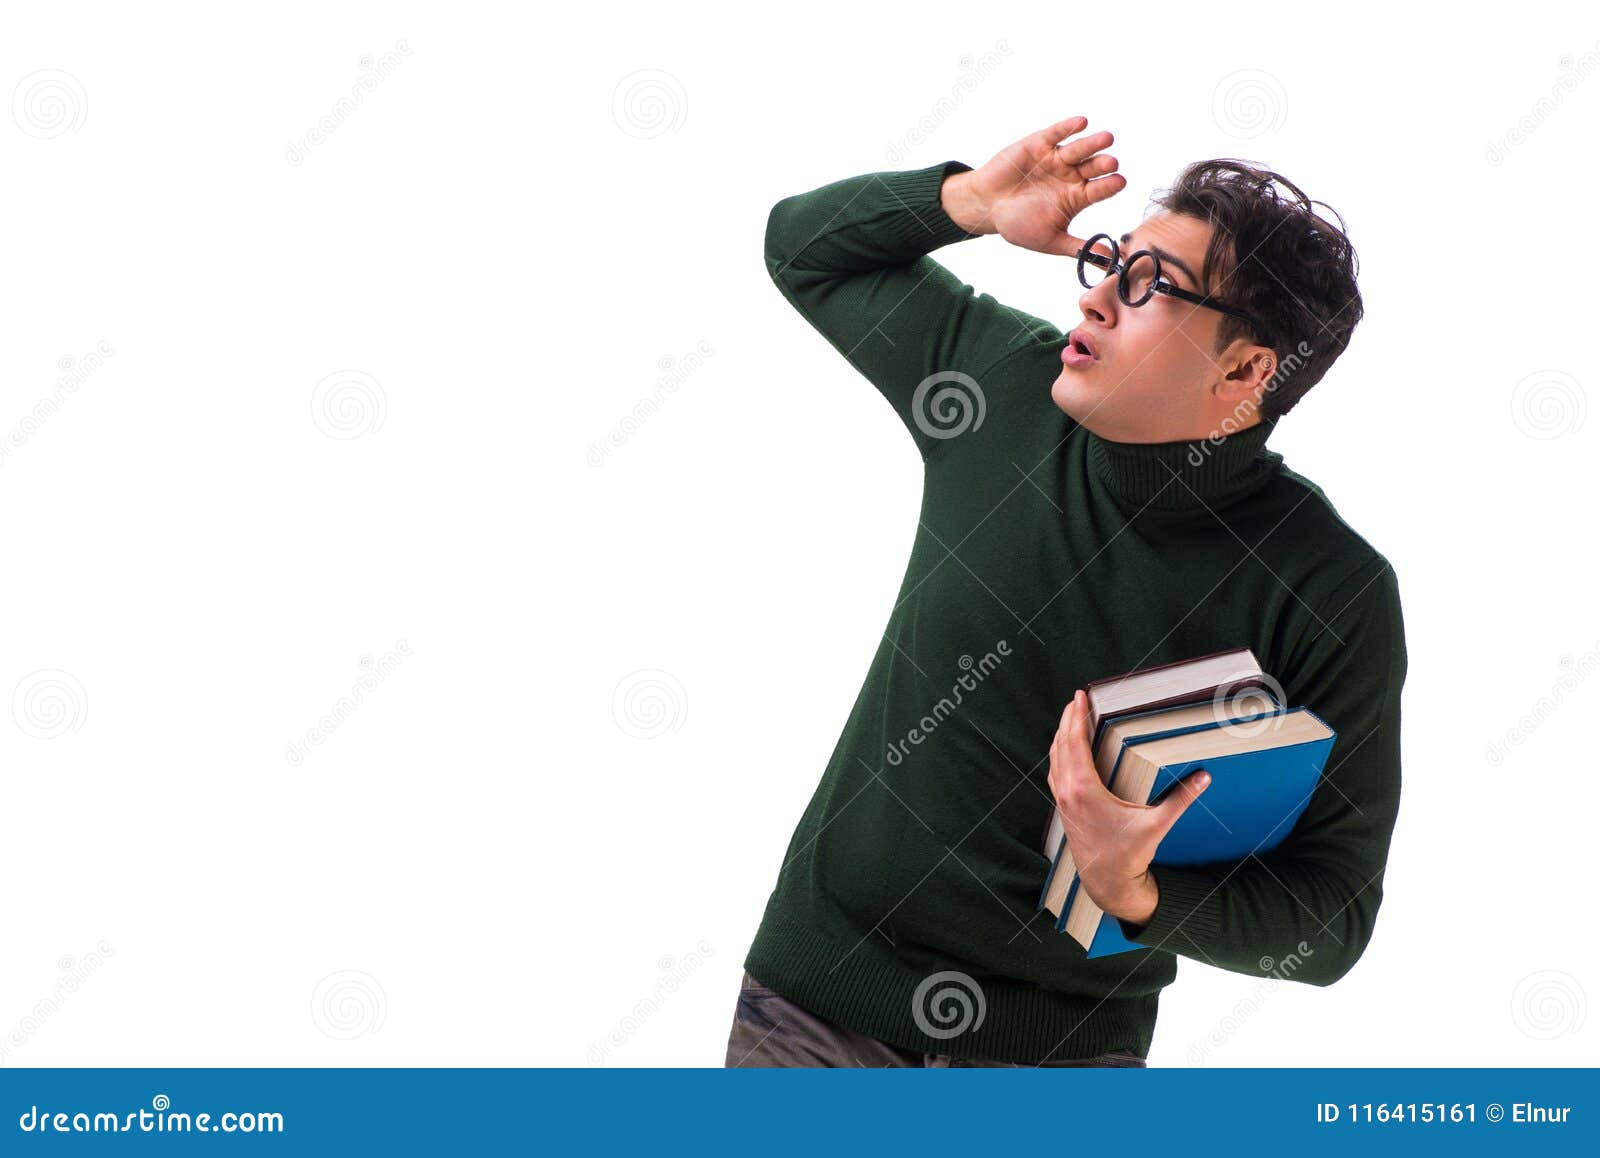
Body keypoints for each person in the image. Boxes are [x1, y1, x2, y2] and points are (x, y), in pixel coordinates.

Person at [726, 117, 1406, 1067]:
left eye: (1147, 284)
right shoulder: (1002, 389)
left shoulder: (1331, 590)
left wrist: (1140, 894)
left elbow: (1331, 918)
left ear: (1249, 371)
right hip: (815, 1014)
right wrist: (969, 202)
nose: (1095, 296)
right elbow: (802, 251)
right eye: (1109, 262)